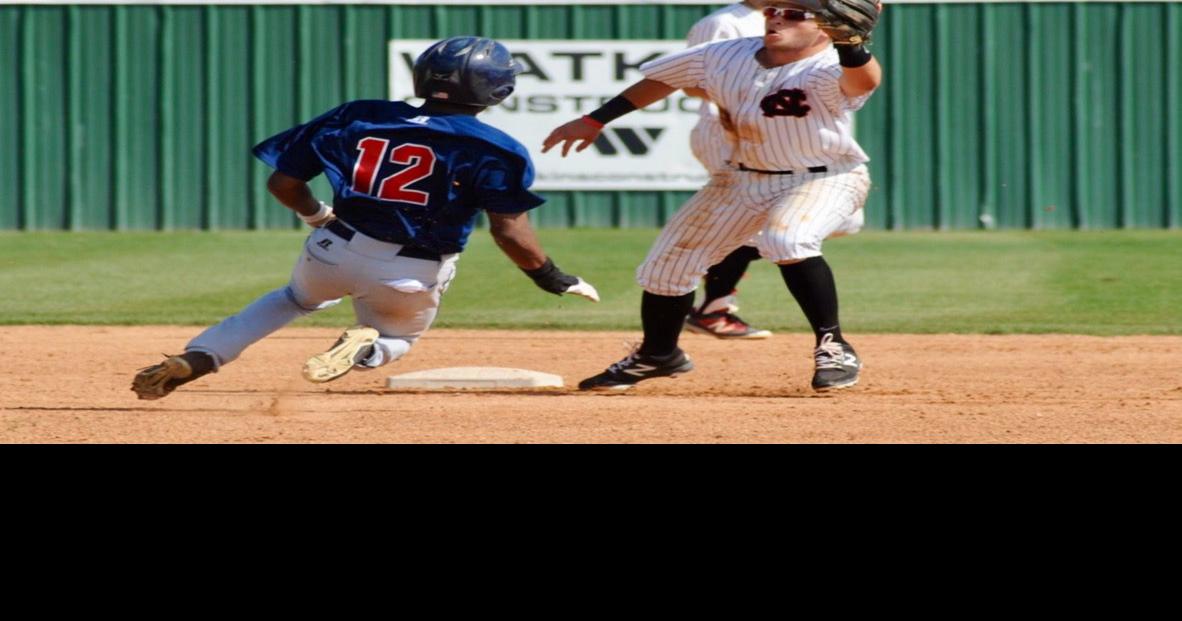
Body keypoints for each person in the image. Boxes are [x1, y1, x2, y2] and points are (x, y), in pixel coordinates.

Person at [132, 36, 599, 401]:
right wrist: (551, 278)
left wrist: (317, 217)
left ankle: (200, 356)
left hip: (333, 248)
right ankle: (368, 347)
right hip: (411, 273)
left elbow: (282, 184)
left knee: (293, 299)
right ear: (497, 87)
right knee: (399, 336)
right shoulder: (495, 148)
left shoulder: (360, 116)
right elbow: (509, 232)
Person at [543, 3, 881, 392]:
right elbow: (664, 79)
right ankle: (658, 354)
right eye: (774, 10)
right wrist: (594, 119)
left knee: (786, 239)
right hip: (742, 178)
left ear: (825, 29)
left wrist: (853, 45)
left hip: (826, 176)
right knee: (665, 269)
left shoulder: (827, 65)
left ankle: (834, 345)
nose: (777, 17)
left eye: (794, 14)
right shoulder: (725, 53)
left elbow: (864, 82)